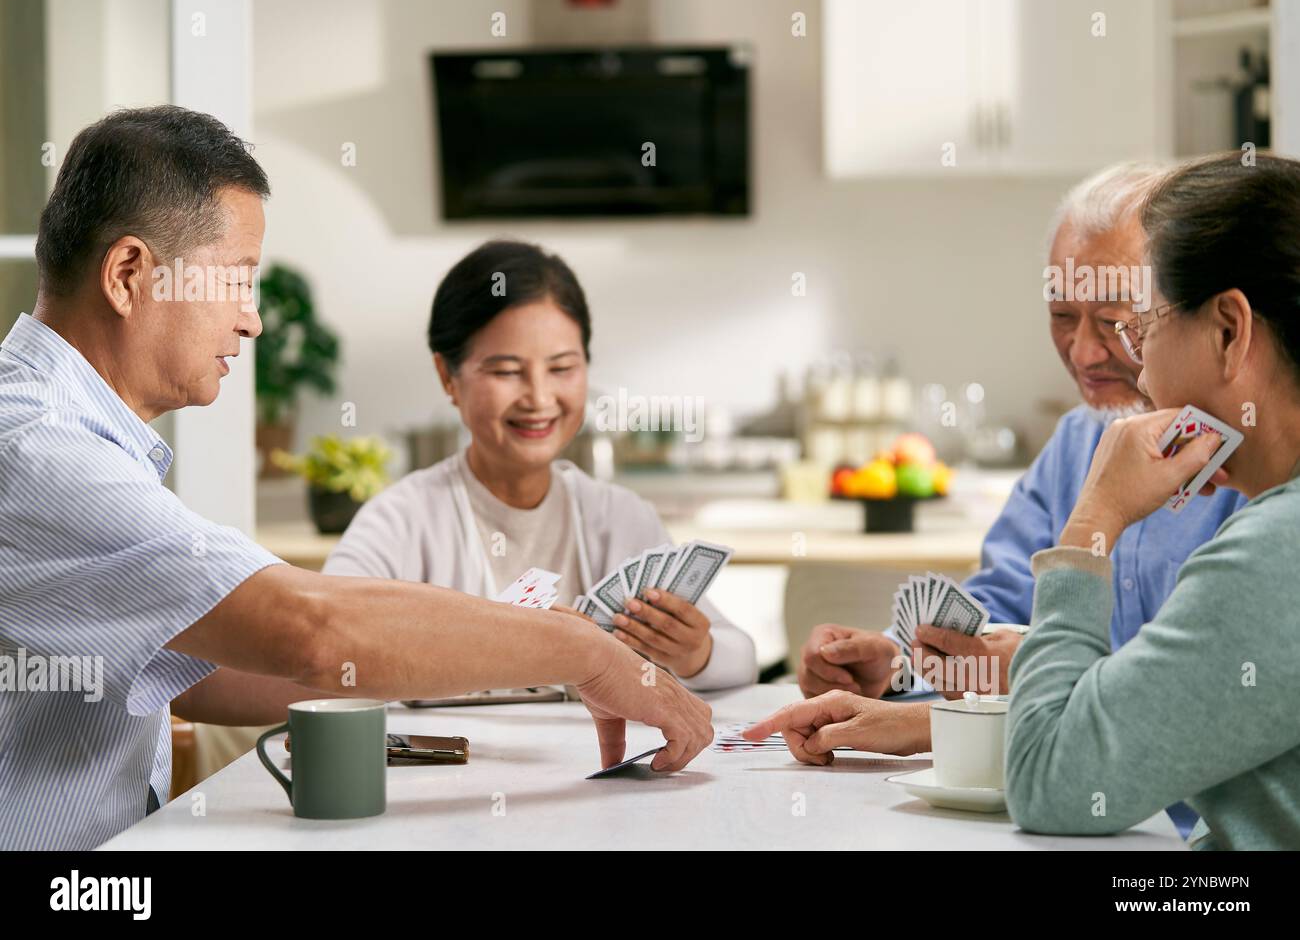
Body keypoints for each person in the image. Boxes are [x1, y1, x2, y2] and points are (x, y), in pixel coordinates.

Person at [0, 106, 712, 852]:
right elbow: (309, 627)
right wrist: (585, 653)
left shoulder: (77, 435)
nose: (253, 322)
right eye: (237, 281)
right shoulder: (39, 450)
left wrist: (494, 650)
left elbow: (205, 672)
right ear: (128, 275)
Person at [750, 153, 1300, 850]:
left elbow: (1064, 775)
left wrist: (1092, 523)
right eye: (1063, 316)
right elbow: (1044, 656)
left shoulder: (1273, 550)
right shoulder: (1102, 450)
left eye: (1140, 324)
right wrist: (912, 678)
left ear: (1228, 331)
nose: (1100, 353)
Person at [323, 240, 757, 690]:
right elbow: (329, 640)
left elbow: (741, 657)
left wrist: (694, 653)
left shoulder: (617, 517)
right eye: (507, 371)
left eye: (562, 368)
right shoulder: (401, 519)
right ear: (447, 377)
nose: (539, 398)